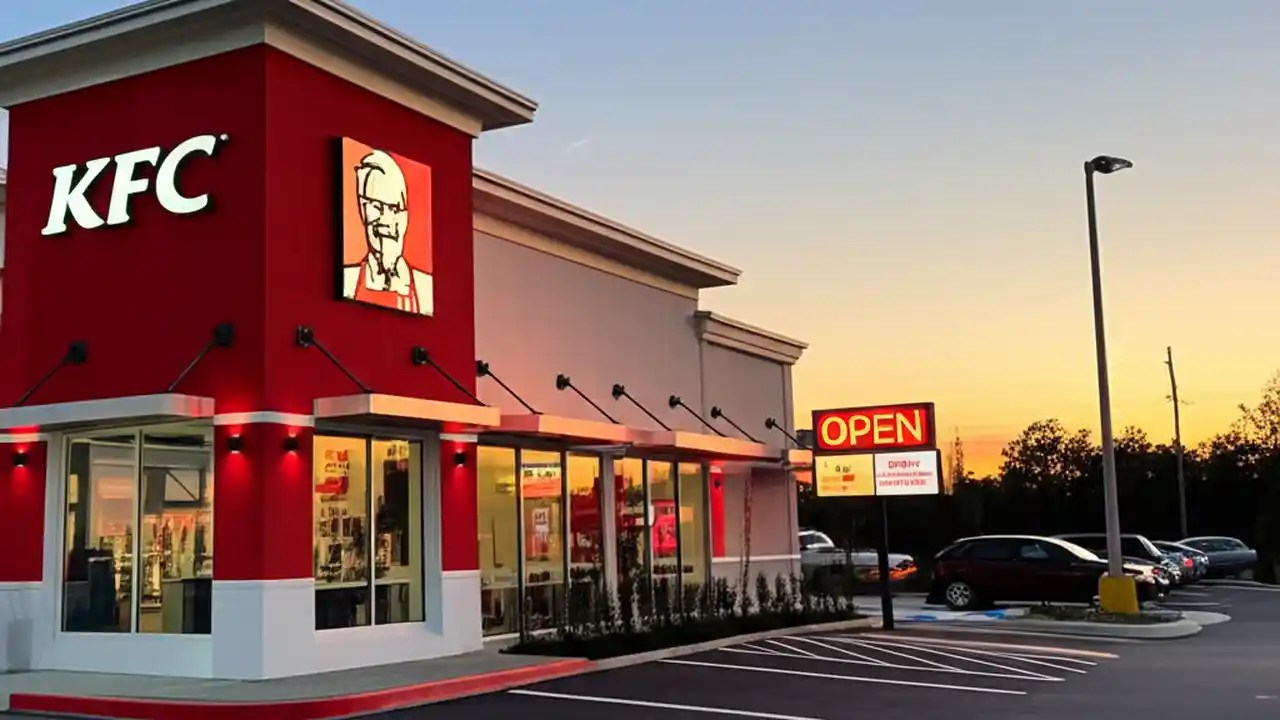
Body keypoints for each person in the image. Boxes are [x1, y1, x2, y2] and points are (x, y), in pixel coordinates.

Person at [342, 149, 433, 315]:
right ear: (363, 211)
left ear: (405, 216)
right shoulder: (348, 280)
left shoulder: (425, 288)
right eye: (376, 207)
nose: (385, 220)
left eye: (394, 208)